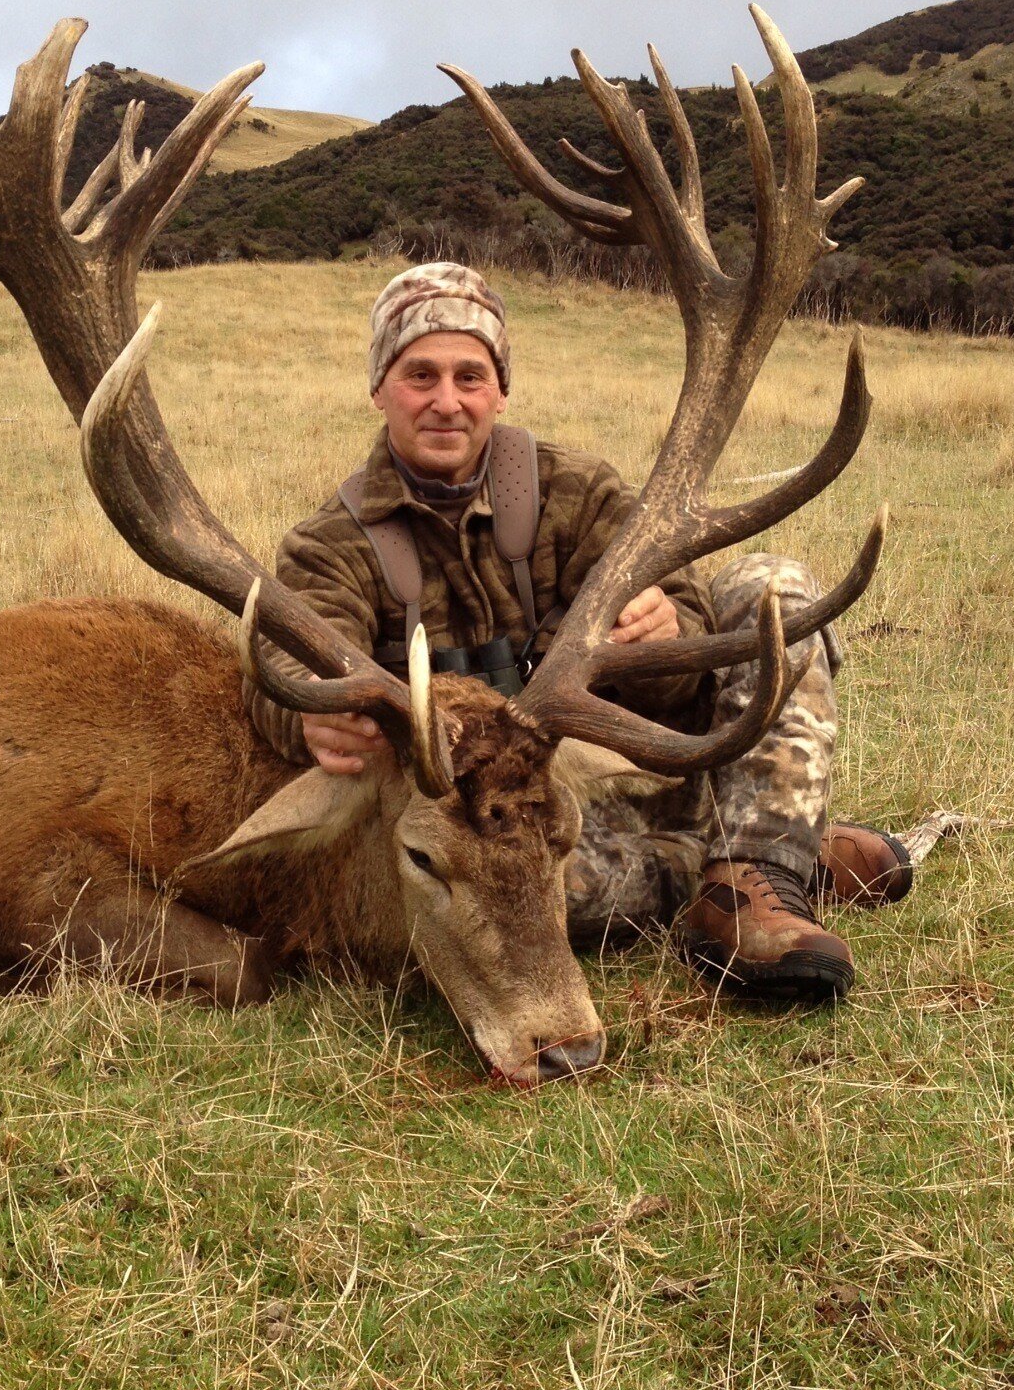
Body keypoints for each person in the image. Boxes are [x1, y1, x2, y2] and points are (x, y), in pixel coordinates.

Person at [245, 262, 912, 1001]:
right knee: (521, 896)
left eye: (470, 376)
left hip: (635, 769)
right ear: (378, 387)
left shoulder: (578, 490)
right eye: (418, 375)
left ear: (501, 389)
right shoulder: (329, 545)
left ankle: (754, 883)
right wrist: (313, 710)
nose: (446, 401)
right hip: (512, 828)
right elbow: (287, 656)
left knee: (775, 590)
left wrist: (667, 630)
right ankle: (772, 849)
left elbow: (688, 627)